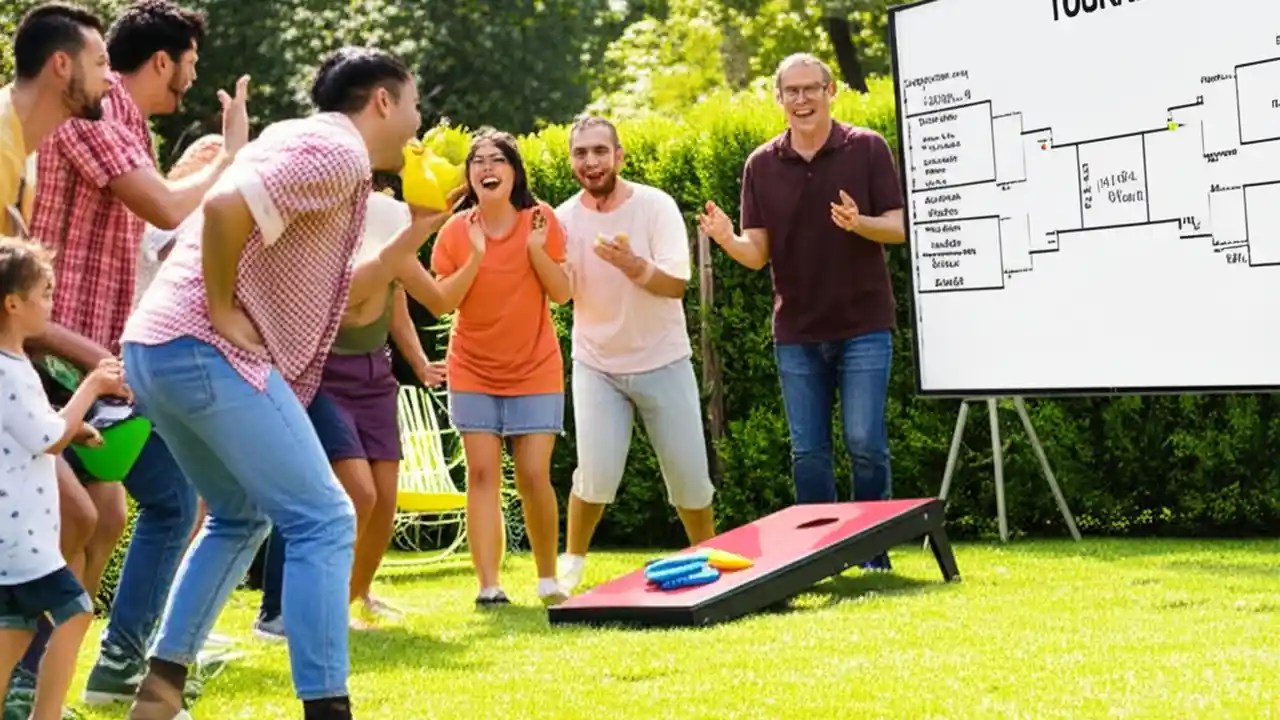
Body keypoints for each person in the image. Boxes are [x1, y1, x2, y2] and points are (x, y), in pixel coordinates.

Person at [119, 46, 441, 720]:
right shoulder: (338, 151)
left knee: (239, 517)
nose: (418, 121)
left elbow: (334, 291)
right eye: (414, 104)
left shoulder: (301, 143)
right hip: (203, 347)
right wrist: (222, 303)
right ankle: (328, 708)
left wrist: (417, 234)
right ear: (382, 100)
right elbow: (225, 204)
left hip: (156, 348)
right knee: (325, 518)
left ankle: (159, 690)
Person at [24, 0, 250, 705]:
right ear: (164, 60)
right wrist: (233, 154)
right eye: (189, 65)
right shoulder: (99, 114)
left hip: (92, 354)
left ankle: (78, 668)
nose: (190, 80)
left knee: (122, 510)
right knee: (119, 509)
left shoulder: (125, 125)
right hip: (55, 348)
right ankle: (41, 674)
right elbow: (167, 208)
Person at [697, 53, 906, 570]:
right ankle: (820, 556)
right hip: (797, 330)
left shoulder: (868, 148)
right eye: (791, 91)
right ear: (779, 99)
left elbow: (900, 227)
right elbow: (757, 254)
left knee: (864, 442)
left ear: (831, 90)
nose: (802, 99)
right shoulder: (760, 165)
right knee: (808, 453)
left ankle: (871, 550)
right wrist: (727, 238)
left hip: (863, 325)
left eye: (811, 89)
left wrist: (861, 224)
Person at [252, 171, 456, 641]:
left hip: (375, 376)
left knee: (383, 498)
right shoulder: (317, 239)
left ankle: (349, 597)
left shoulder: (387, 232)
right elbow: (340, 305)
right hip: (324, 375)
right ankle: (281, 606)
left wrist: (421, 363)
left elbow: (408, 305)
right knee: (348, 493)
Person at [0, 4, 114, 715]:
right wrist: (95, 361)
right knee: (80, 513)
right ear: (62, 65)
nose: (110, 79)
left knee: (89, 510)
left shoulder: (28, 157)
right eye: (102, 63)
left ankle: (23, 684)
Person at [553, 116, 716, 593]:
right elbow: (561, 293)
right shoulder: (563, 219)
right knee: (597, 475)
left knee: (690, 477)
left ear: (619, 156)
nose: (591, 161)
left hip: (663, 360)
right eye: (581, 153)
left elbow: (676, 285)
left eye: (600, 151)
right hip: (597, 365)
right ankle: (573, 565)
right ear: (572, 161)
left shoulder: (654, 206)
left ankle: (706, 565)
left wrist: (633, 266)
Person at [430, 128, 572, 607]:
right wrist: (474, 254)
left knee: (534, 473)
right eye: (478, 162)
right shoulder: (454, 231)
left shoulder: (540, 220)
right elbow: (442, 301)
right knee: (483, 474)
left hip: (535, 366)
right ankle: (489, 586)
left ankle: (548, 578)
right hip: (473, 368)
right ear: (470, 175)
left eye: (498, 160)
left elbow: (563, 292)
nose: (487, 168)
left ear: (515, 171)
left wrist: (534, 250)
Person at [0, 236, 128, 720]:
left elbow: (34, 424)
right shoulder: (9, 371)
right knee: (75, 610)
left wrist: (77, 429)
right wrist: (93, 384)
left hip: (15, 535)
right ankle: (46, 715)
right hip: (19, 538)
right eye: (45, 294)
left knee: (15, 629)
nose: (52, 304)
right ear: (13, 304)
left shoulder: (12, 367)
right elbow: (47, 438)